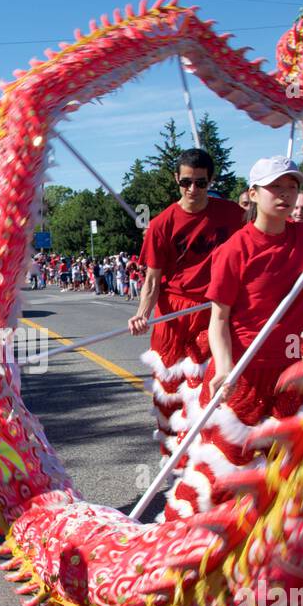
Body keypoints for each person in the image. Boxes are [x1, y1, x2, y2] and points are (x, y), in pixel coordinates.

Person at [161, 157, 303, 520]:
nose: (285, 194)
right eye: (275, 187)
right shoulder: (234, 250)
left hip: (289, 375)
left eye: (291, 187)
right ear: (253, 193)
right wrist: (225, 367)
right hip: (243, 375)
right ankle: (188, 542)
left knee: (288, 468)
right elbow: (219, 319)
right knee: (223, 471)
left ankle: (264, 548)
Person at [128, 148, 246, 456]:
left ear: (211, 181)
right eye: (186, 182)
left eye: (201, 183)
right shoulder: (160, 224)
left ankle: (203, 461)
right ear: (176, 180)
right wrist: (141, 314)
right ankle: (172, 459)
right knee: (168, 392)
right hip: (173, 313)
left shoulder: (232, 214)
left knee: (206, 384)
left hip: (213, 310)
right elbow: (152, 280)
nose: (193, 189)